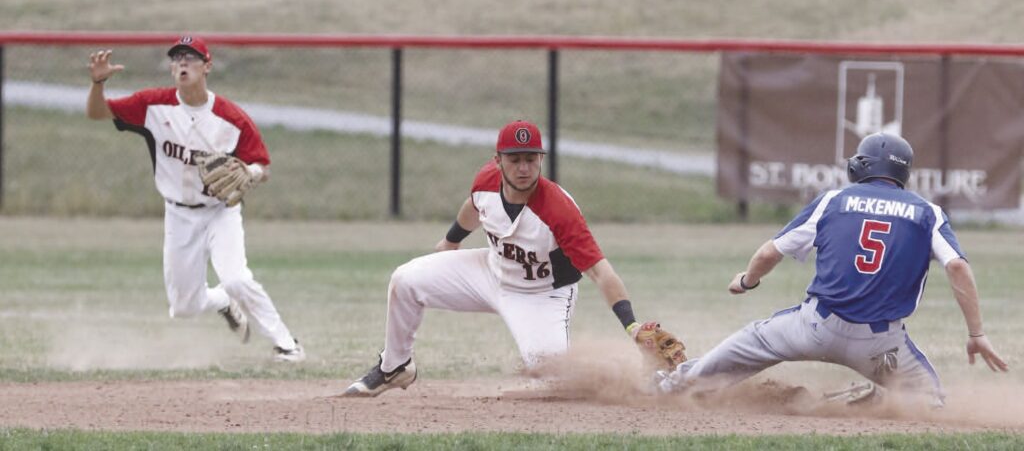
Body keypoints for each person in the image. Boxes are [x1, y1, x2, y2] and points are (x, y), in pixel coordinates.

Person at [655, 132, 1008, 405]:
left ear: (864, 165)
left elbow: (769, 253)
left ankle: (672, 386)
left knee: (749, 344)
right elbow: (958, 267)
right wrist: (976, 334)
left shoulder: (833, 200)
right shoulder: (927, 213)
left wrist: (747, 281)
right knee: (930, 404)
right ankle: (872, 402)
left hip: (813, 328)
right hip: (880, 348)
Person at [343, 120, 652, 397]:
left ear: (541, 160)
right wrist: (451, 241)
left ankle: (645, 380)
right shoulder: (486, 182)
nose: (523, 168)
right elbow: (473, 208)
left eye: (530, 159)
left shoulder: (559, 210)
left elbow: (600, 272)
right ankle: (395, 366)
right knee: (405, 280)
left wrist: (632, 325)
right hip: (490, 272)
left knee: (553, 380)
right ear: (498, 161)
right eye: (514, 160)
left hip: (542, 295)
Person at [85, 35, 305, 362]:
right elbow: (97, 113)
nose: (182, 63)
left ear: (207, 67)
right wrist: (98, 83)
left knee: (236, 278)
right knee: (184, 308)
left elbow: (263, 166)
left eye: (190, 58)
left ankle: (287, 345)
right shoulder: (153, 105)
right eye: (177, 58)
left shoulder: (231, 118)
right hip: (178, 215)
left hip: (220, 211)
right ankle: (222, 302)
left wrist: (251, 173)